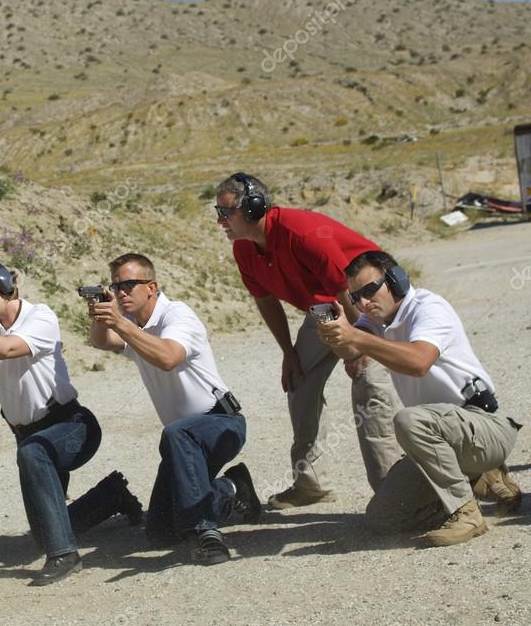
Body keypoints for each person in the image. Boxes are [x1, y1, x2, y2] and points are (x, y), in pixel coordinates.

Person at [0, 259, 142, 586]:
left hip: (72, 427)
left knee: (33, 454)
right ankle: (111, 496)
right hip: (32, 437)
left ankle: (65, 555)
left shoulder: (40, 316)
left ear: (2, 283)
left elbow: (10, 348)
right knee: (44, 533)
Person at [215, 172, 403, 508]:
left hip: (369, 303)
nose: (220, 220)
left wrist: (363, 344)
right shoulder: (244, 248)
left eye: (226, 212)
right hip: (325, 308)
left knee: (369, 384)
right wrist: (289, 353)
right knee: (299, 381)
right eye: (218, 212)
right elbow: (265, 300)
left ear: (254, 207)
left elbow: (348, 289)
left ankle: (395, 495)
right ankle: (311, 484)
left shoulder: (303, 232)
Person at [317, 251, 523, 546]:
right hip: (441, 437)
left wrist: (356, 337)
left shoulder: (428, 307)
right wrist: (335, 334)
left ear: (396, 280)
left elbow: (419, 362)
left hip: (483, 425)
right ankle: (483, 480)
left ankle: (466, 513)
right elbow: (352, 350)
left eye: (370, 290)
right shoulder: (377, 319)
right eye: (355, 297)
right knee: (384, 518)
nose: (363, 302)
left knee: (409, 420)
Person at [88, 253, 260, 565]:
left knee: (179, 435)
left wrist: (120, 324)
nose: (121, 292)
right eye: (115, 287)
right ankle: (233, 487)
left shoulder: (177, 315)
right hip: (182, 443)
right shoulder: (133, 324)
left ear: (151, 287)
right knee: (161, 530)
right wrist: (101, 317)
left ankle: (206, 532)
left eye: (128, 285)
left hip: (220, 423)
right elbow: (102, 342)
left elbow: (168, 357)